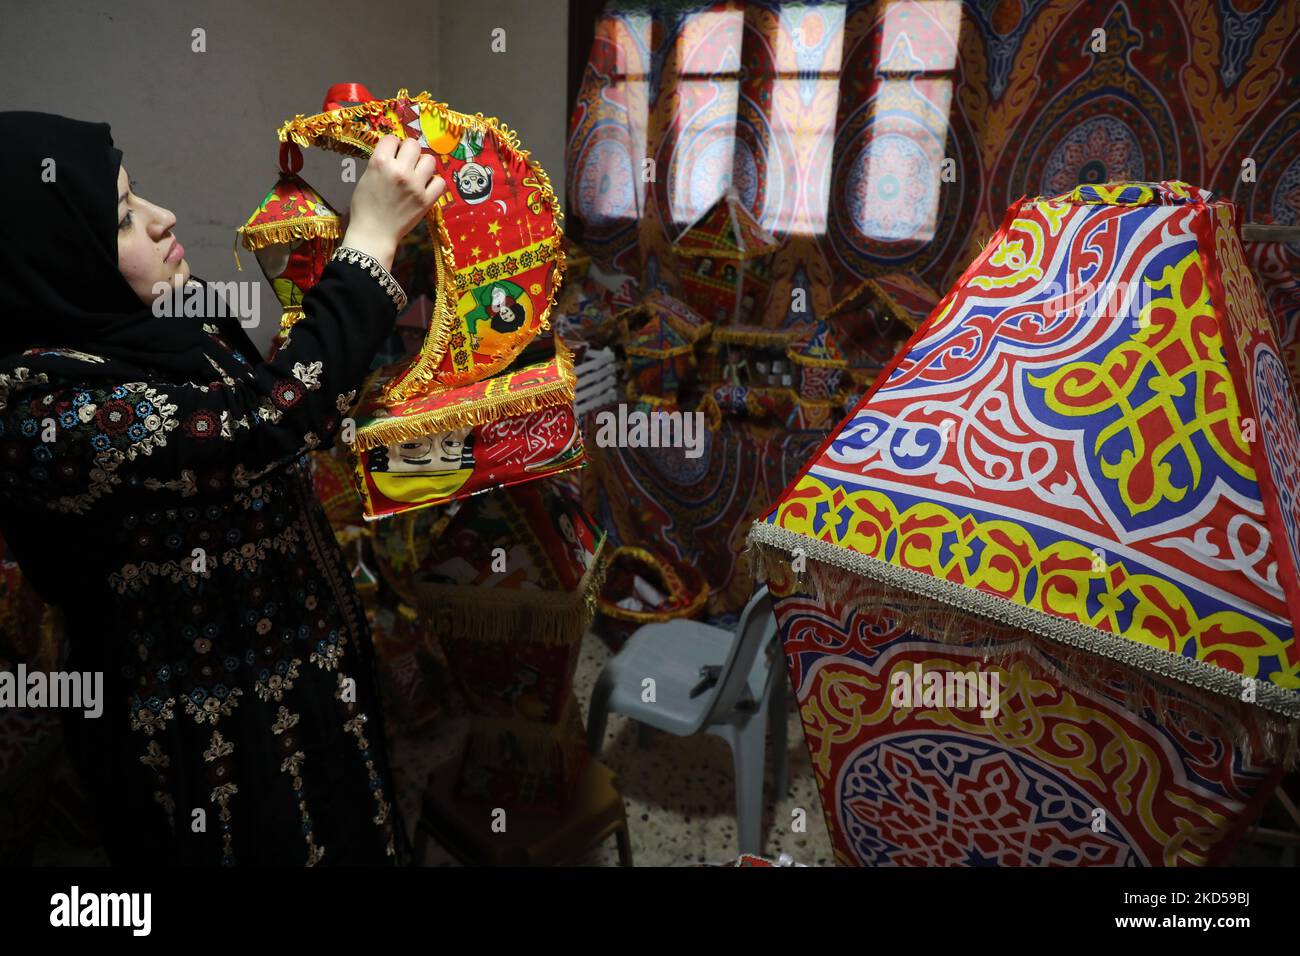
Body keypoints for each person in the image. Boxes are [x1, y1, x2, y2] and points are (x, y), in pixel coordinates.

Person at [0, 111, 445, 865]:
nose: (161, 217)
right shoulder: (44, 413)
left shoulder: (162, 314)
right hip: (204, 731)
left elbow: (280, 398)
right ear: (53, 258)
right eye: (121, 219)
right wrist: (368, 242)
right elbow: (265, 419)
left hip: (300, 663)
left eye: (138, 193)